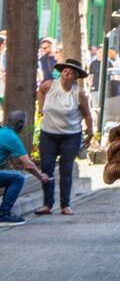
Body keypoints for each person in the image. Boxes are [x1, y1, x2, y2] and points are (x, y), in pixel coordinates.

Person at [35, 57, 94, 216]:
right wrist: (41, 108)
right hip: (49, 134)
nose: (67, 73)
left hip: (71, 136)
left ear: (76, 77)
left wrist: (90, 133)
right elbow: (39, 90)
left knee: (66, 170)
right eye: (65, 71)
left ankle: (65, 205)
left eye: (71, 72)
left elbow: (87, 115)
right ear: (61, 72)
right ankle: (47, 204)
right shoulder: (49, 85)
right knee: (47, 169)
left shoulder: (78, 92)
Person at [0, 110, 51, 225]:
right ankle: (3, 214)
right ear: (21, 125)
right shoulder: (12, 138)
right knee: (18, 178)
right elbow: (28, 165)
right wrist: (40, 176)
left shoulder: (2, 132)